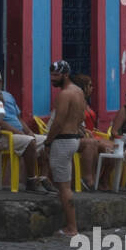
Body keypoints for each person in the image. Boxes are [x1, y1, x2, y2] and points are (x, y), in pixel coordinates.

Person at [0, 68, 49, 192]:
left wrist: (28, 131)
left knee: (48, 142)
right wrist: (21, 133)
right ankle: (31, 181)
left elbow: (18, 118)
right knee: (29, 142)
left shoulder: (8, 96)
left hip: (19, 135)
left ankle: (43, 179)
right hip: (2, 136)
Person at [42, 61, 83, 237]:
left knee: (64, 187)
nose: (52, 79)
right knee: (65, 184)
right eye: (51, 75)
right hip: (73, 138)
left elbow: (58, 122)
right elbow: (81, 117)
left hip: (63, 140)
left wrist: (48, 142)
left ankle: (71, 227)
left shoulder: (64, 95)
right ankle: (70, 224)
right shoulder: (79, 92)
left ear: (65, 75)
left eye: (56, 75)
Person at [70, 73, 118, 191]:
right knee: (107, 147)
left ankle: (103, 178)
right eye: (90, 85)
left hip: (91, 134)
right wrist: (86, 131)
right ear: (83, 87)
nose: (92, 88)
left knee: (114, 147)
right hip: (85, 136)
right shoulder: (75, 102)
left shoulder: (85, 102)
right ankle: (95, 178)